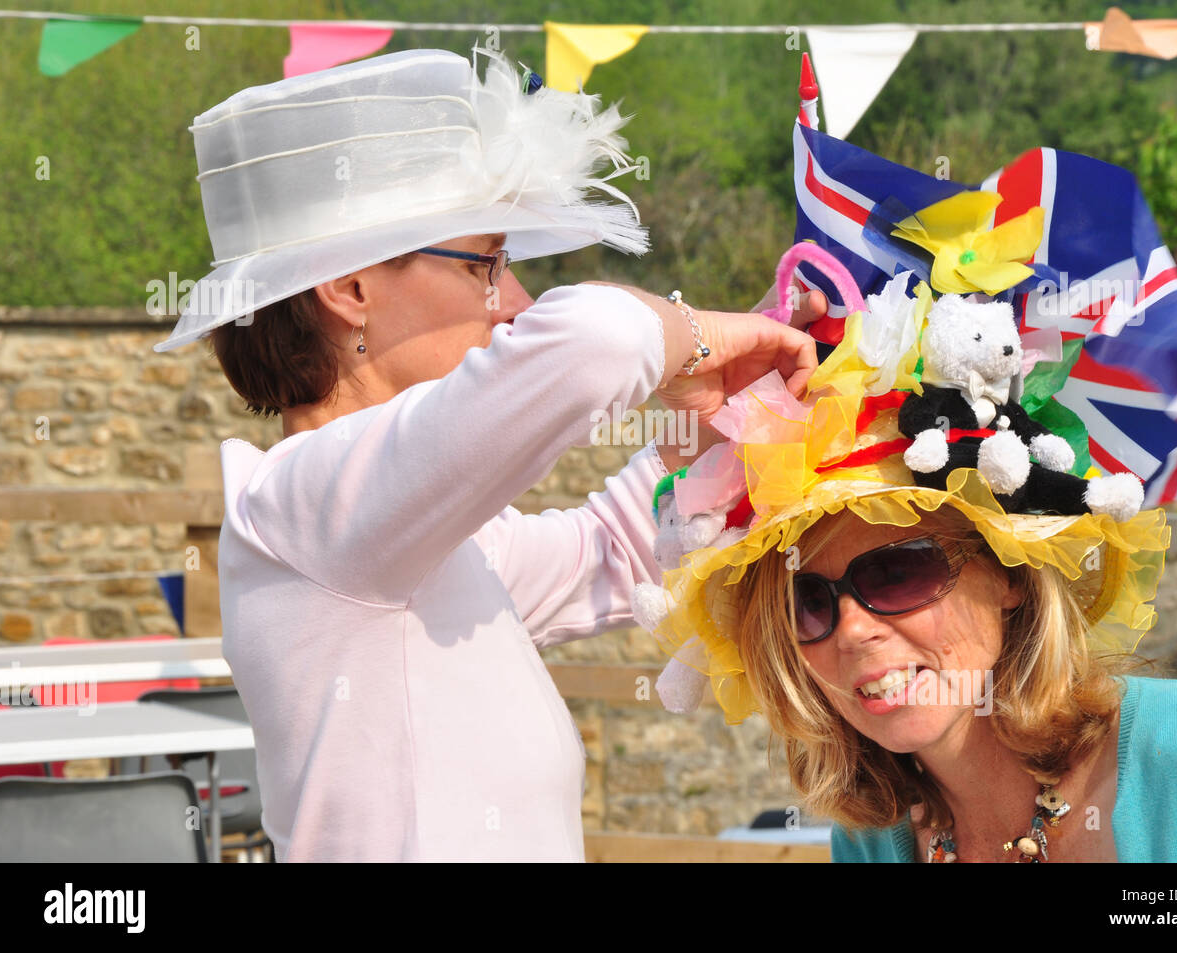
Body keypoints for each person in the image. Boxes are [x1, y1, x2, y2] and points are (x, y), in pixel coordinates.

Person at [154, 49, 819, 861]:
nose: (516, 302)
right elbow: (597, 340)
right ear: (350, 288)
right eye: (486, 262)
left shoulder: (390, 528)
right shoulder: (301, 507)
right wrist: (700, 338)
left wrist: (722, 408)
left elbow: (608, 551)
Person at [636, 263, 1177, 863]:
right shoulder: (876, 841)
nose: (852, 628)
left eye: (897, 571)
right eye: (808, 600)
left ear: (1008, 572)